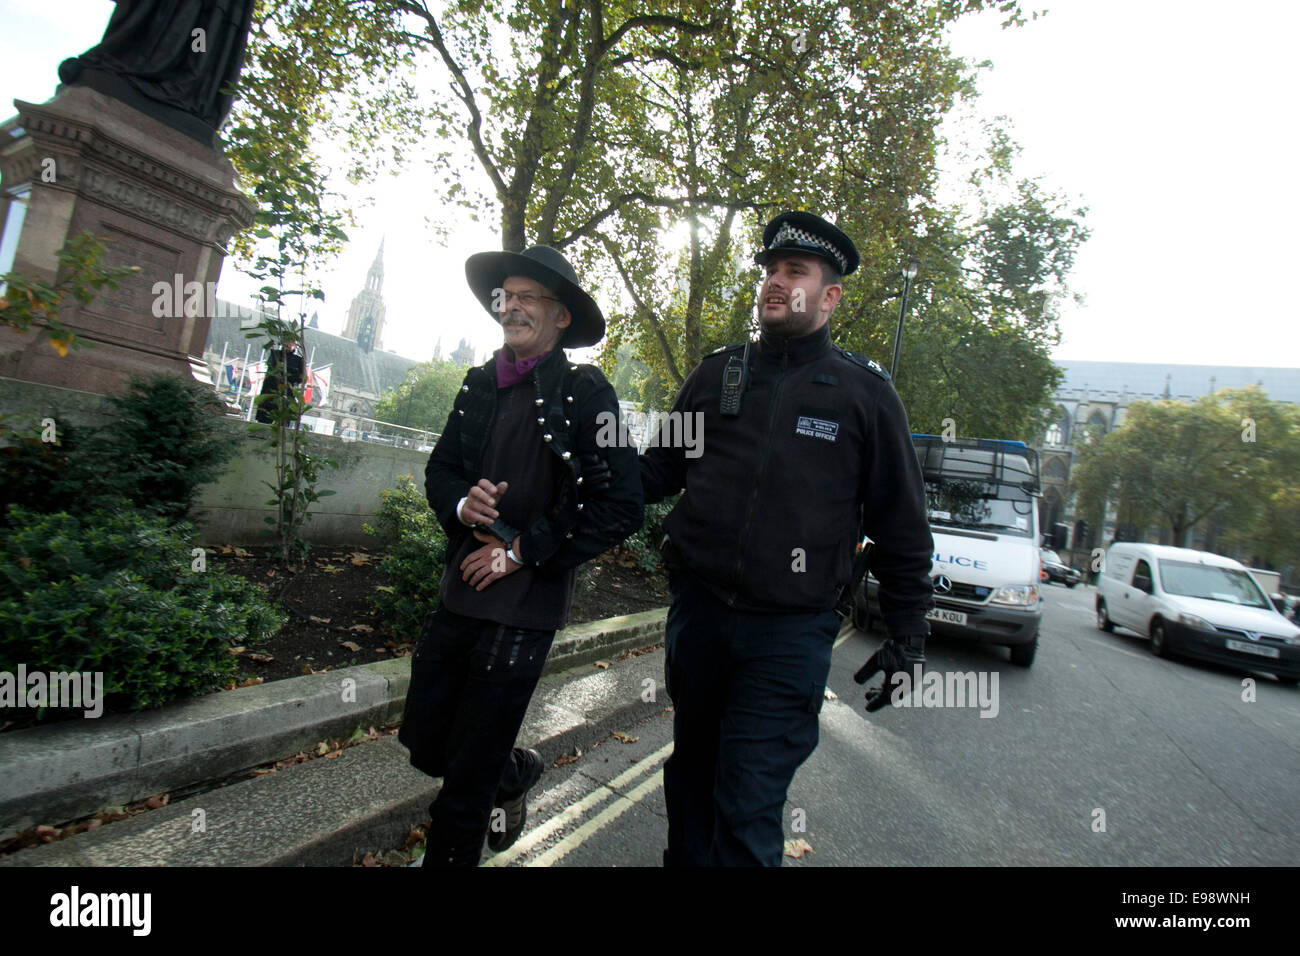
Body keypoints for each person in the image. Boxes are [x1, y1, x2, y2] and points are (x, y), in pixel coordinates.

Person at [639, 211, 935, 867]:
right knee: (692, 781)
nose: (774, 281)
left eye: (794, 272)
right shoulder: (720, 376)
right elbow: (655, 472)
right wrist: (566, 482)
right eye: (771, 270)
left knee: (745, 805)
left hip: (789, 635)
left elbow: (902, 525)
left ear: (830, 297)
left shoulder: (866, 396)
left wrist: (908, 638)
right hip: (701, 620)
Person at [400, 245, 643, 867]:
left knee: (463, 790)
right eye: (505, 296)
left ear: (561, 316)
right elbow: (442, 469)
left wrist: (520, 551)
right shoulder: (480, 381)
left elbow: (620, 506)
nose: (510, 306)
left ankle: (485, 788)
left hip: (525, 604)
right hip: (462, 587)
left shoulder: (587, 391)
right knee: (427, 739)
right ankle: (515, 771)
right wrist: (462, 505)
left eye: (526, 297)